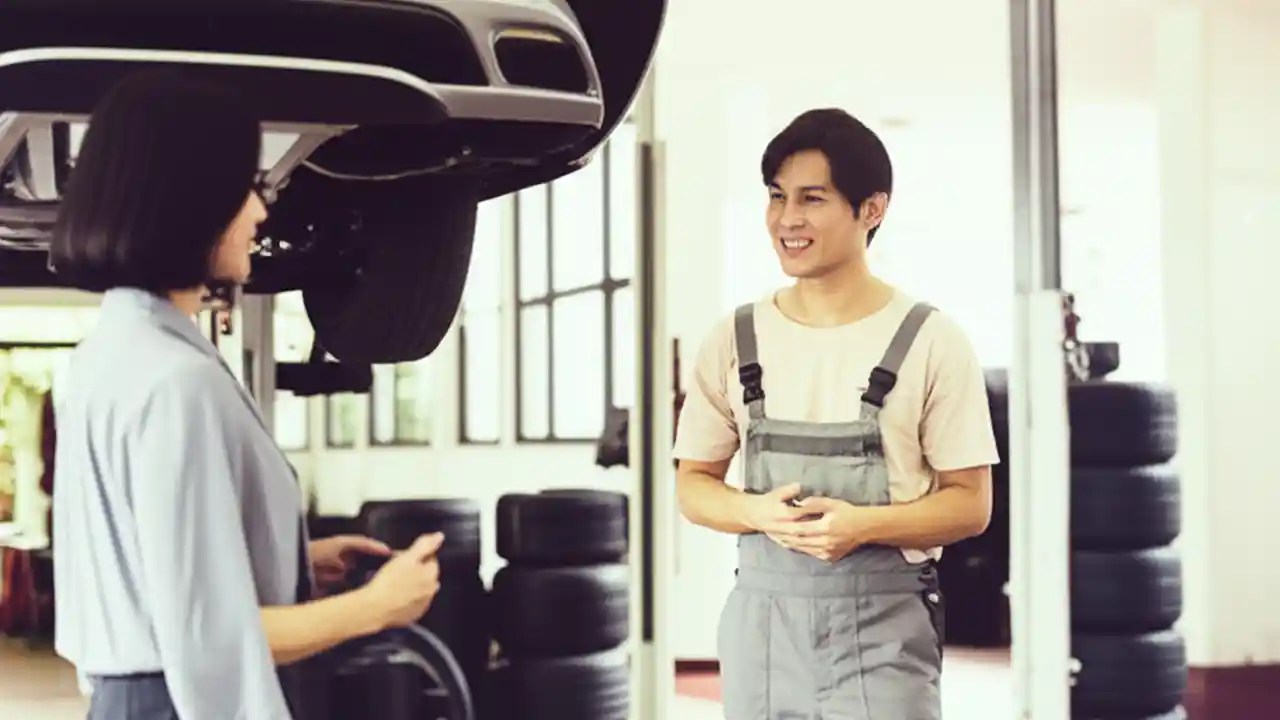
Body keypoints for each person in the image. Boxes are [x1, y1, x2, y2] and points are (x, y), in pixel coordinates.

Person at [48, 71, 445, 720]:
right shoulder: (177, 382)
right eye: (248, 190)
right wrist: (375, 608)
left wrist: (289, 559)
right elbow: (207, 638)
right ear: (189, 202)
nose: (261, 213)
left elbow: (152, 575)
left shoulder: (110, 354)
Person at [673, 108, 1000, 719]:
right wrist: (754, 512)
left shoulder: (929, 340)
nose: (787, 220)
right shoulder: (735, 339)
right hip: (762, 629)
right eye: (776, 197)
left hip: (885, 625)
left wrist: (862, 526)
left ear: (872, 209)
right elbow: (693, 485)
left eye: (812, 199)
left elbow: (970, 503)